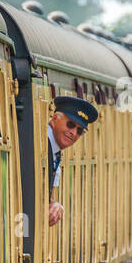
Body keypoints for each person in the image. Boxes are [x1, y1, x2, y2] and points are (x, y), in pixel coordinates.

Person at [46, 96, 100, 227]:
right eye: (70, 124)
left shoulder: (55, 152)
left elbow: (47, 198)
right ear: (54, 119)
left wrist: (55, 204)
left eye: (79, 131)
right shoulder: (42, 145)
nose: (73, 133)